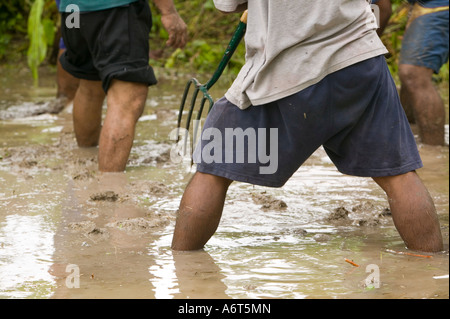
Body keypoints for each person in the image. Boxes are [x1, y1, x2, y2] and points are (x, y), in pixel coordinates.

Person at [171, 0, 444, 253]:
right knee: (399, 175)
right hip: (360, 62)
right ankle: (432, 271)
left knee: (212, 171)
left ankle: (183, 270)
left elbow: (228, 5)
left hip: (284, 72)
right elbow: (380, 4)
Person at [58, 0, 187, 172]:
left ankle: (85, 159)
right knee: (127, 97)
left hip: (72, 11)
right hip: (115, 8)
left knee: (90, 85)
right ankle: (108, 189)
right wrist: (168, 11)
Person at [398, 0, 449, 146]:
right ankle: (410, 139)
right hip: (424, 4)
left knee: (413, 73)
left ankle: (434, 152)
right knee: (409, 72)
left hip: (438, 3)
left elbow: (382, 7)